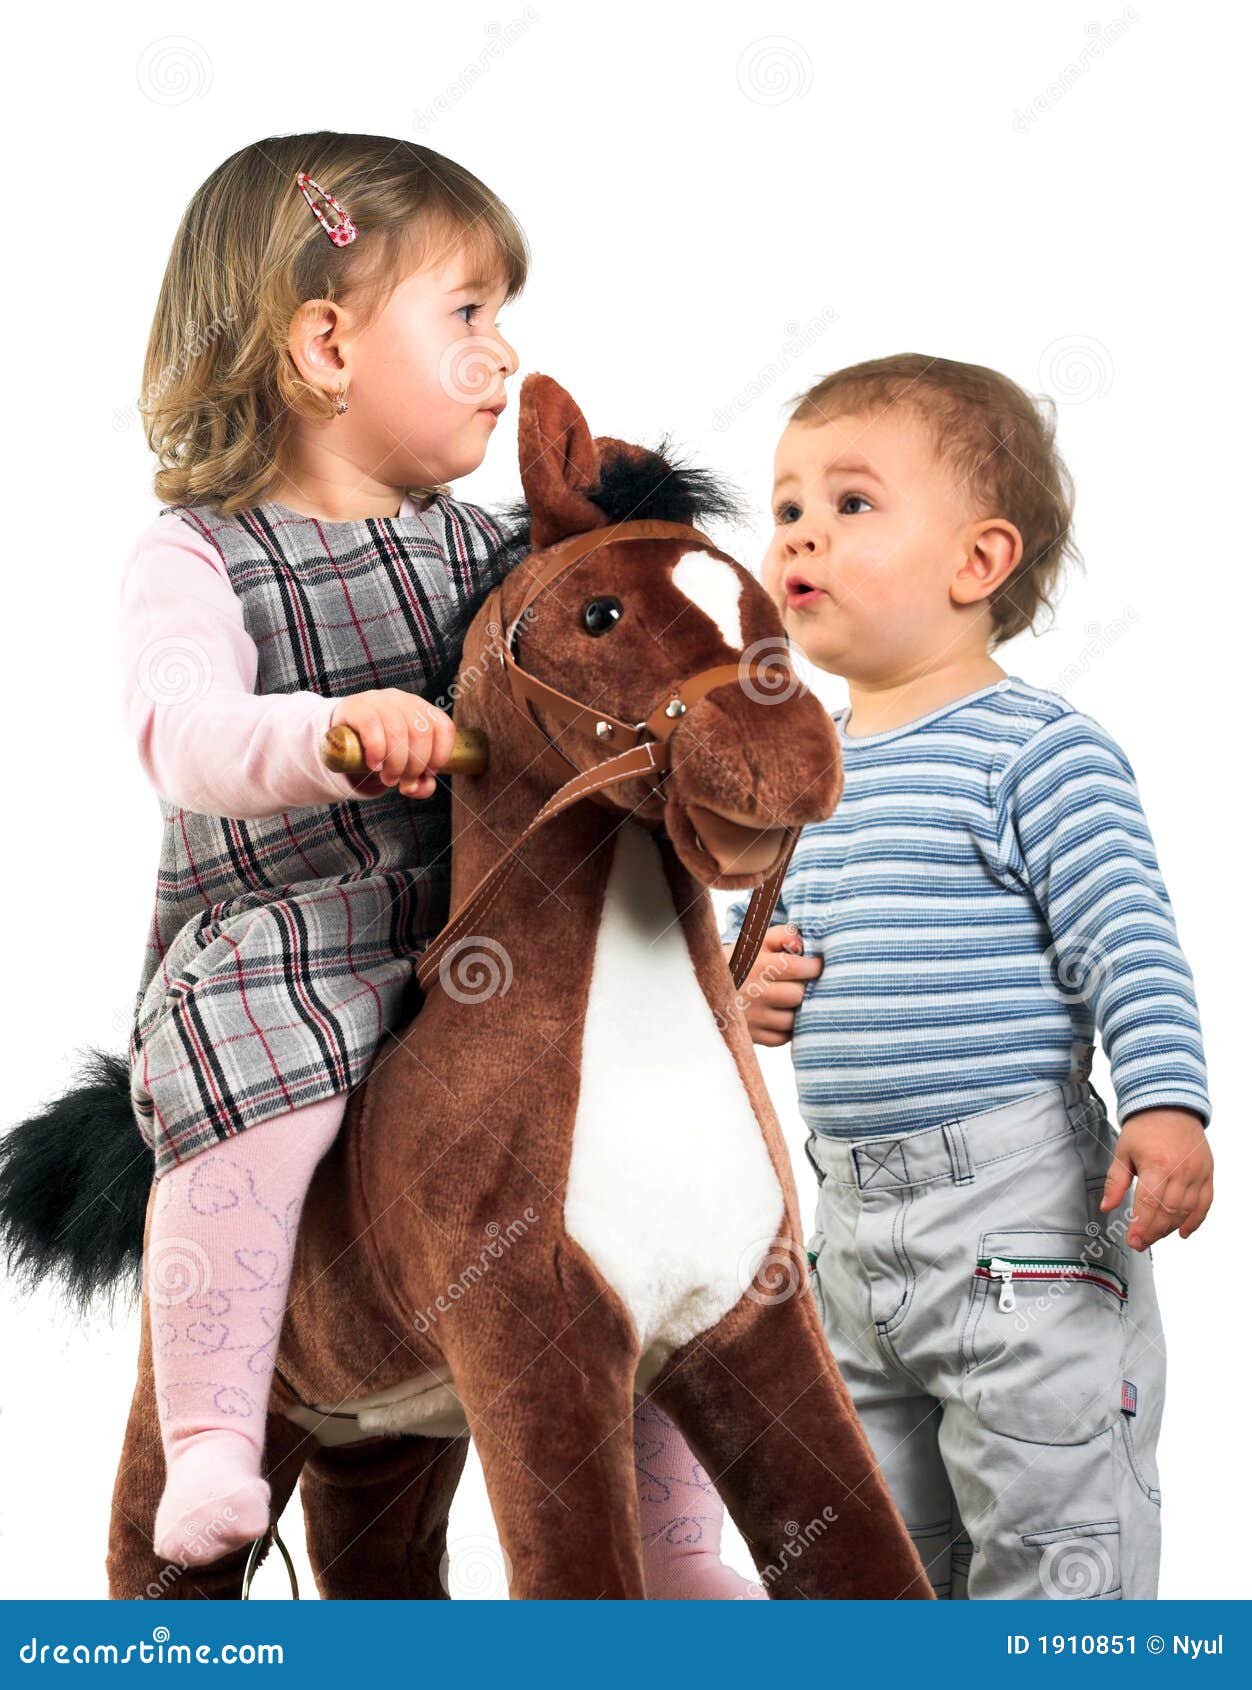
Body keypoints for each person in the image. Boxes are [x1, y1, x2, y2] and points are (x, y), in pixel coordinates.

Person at [122, 130, 760, 1595]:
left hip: (482, 938)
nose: (503, 351)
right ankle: (216, 1425)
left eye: (502, 315)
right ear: (327, 343)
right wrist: (331, 730)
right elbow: (184, 729)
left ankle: (676, 1540)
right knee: (257, 1093)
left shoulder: (492, 549)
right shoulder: (203, 555)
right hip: (297, 933)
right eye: (466, 313)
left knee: (648, 1181)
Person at [721, 353, 1213, 1599]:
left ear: (977, 563)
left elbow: (1129, 938)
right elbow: (755, 958)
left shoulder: (1036, 751)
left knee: (1055, 1545)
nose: (800, 536)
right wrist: (753, 994)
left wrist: (1165, 1105)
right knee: (867, 1551)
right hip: (850, 1238)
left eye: (849, 503)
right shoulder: (801, 774)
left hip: (1020, 1223)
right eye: (784, 509)